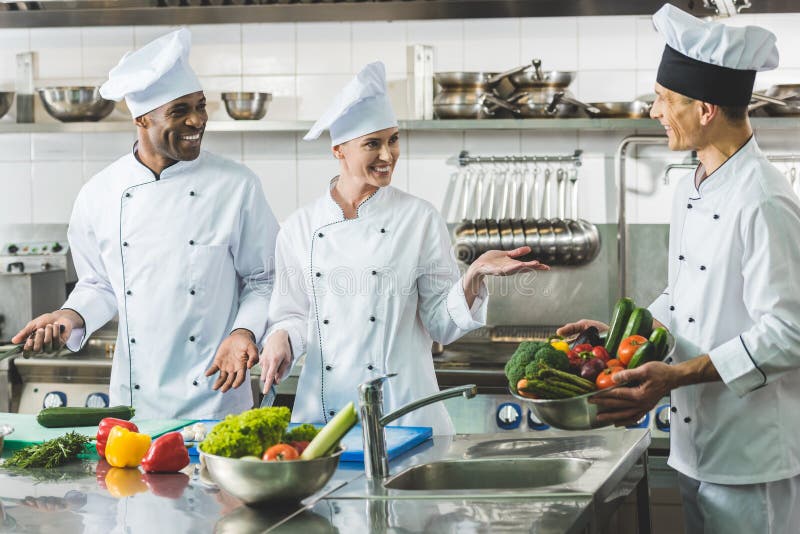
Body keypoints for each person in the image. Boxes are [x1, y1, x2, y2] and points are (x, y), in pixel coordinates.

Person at [559, 5, 800, 533]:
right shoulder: (694, 184)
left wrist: (677, 376)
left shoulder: (763, 200)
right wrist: (626, 334)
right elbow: (686, 293)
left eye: (665, 99)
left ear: (706, 108)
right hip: (696, 450)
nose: (654, 111)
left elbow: (788, 334)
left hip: (749, 458)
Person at [260, 62, 548, 435]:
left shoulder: (419, 218)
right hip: (322, 421)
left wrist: (474, 274)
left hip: (403, 416)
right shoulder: (299, 227)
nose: (388, 155)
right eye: (372, 143)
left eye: (393, 139)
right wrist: (280, 336)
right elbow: (292, 315)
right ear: (339, 151)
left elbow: (441, 325)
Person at [11, 28, 279, 420]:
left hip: (217, 398)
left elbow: (265, 279)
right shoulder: (99, 194)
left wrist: (244, 332)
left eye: (200, 105)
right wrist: (70, 316)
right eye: (179, 110)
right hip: (135, 407)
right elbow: (100, 284)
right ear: (141, 119)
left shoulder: (236, 186)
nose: (197, 120)